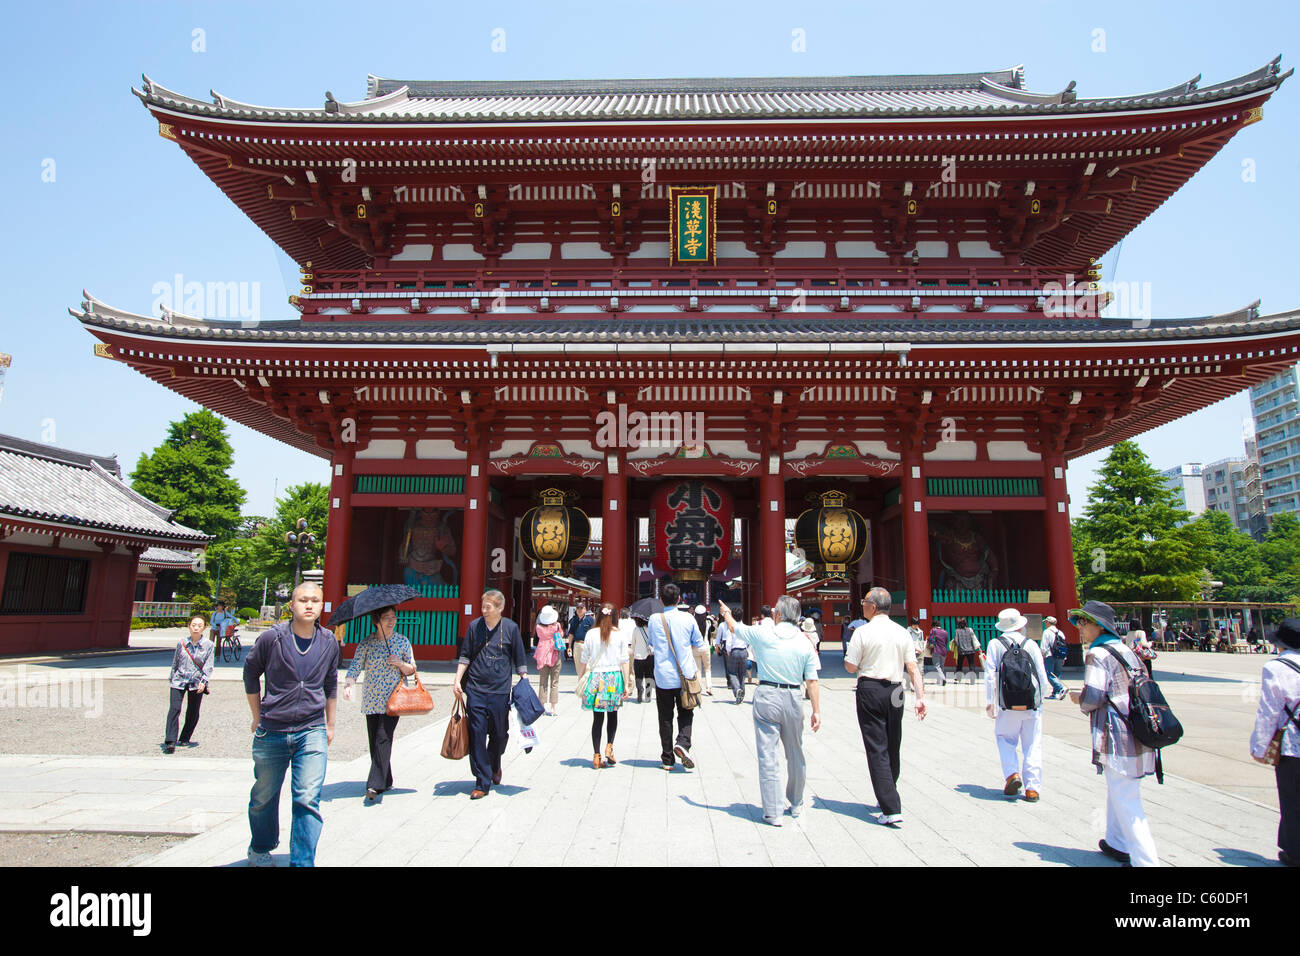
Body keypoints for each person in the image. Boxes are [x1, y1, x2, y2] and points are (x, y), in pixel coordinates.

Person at [243, 581, 339, 867]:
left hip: (311, 728)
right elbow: (250, 675)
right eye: (303, 600)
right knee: (264, 795)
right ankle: (261, 845)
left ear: (322, 605)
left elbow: (330, 683)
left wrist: (330, 724)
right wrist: (257, 716)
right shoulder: (271, 638)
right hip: (272, 728)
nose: (309, 605)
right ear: (291, 605)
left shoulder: (329, 641)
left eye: (315, 601)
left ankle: (302, 861)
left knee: (308, 798)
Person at [1069, 600, 1160, 867]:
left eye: (1083, 623)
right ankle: (1117, 842)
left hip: (1117, 733)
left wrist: (1079, 698)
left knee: (1127, 799)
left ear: (1098, 625)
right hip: (1137, 728)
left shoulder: (1098, 655)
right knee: (1119, 789)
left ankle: (1146, 861)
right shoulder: (1127, 651)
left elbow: (1094, 697)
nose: (1079, 629)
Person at [719, 596, 821, 825]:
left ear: (777, 615)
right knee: (795, 752)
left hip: (767, 695)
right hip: (794, 695)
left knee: (768, 755)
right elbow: (812, 680)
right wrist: (816, 710)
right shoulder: (805, 641)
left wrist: (725, 612)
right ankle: (796, 803)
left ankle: (773, 811)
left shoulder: (764, 634)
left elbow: (735, 627)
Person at [843, 587, 927, 826]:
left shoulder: (862, 632)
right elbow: (912, 667)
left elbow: (850, 666)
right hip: (896, 690)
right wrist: (920, 697)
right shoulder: (903, 633)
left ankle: (891, 807)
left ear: (872, 606)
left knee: (876, 746)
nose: (862, 605)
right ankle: (889, 789)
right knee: (893, 742)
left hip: (870, 688)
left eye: (864, 602)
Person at [453, 590, 528, 799]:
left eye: (489, 607)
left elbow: (520, 659)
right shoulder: (474, 627)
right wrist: (457, 679)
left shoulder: (511, 629)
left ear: (499, 608)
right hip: (476, 688)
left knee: (499, 733)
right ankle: (482, 781)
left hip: (500, 690)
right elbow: (465, 655)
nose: (484, 610)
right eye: (483, 606)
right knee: (477, 734)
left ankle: (495, 763)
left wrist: (524, 680)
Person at [342, 605, 416, 801]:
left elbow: (412, 669)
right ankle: (386, 778)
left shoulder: (402, 641)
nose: (391, 621)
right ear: (376, 621)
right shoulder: (367, 643)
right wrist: (349, 683)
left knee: (383, 737)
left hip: (394, 698)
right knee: (375, 739)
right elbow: (356, 665)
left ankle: (374, 785)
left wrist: (400, 663)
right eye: (386, 618)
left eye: (394, 617)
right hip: (371, 698)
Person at [984, 608, 1052, 802]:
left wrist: (990, 702)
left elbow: (991, 675)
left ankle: (1012, 774)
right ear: (1021, 625)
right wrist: (1041, 698)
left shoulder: (995, 644)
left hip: (1007, 703)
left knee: (1005, 738)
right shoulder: (1031, 644)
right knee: (1032, 744)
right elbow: (1040, 673)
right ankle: (1032, 788)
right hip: (1031, 703)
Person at [1250, 618, 1300, 866]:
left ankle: (1294, 851)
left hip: (1293, 744)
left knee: (1292, 799)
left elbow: (1268, 712)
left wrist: (1259, 747)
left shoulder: (1276, 668)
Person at [645, 583, 705, 770]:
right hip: (684, 675)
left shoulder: (654, 619)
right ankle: (683, 742)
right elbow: (699, 642)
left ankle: (667, 758)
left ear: (661, 599)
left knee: (665, 716)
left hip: (663, 675)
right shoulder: (688, 618)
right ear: (679, 599)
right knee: (686, 710)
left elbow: (652, 644)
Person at [576, 605, 632, 768]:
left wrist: (580, 678)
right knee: (612, 715)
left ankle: (596, 755)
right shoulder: (619, 635)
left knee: (597, 718)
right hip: (613, 677)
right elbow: (624, 661)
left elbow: (584, 659)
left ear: (598, 616)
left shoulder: (591, 634)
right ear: (615, 617)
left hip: (595, 677)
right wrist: (627, 683)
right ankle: (610, 747)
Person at [164, 614, 213, 753]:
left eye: (199, 626)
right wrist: (172, 677)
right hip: (179, 679)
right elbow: (176, 662)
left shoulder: (208, 645)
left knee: (193, 711)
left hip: (196, 681)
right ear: (189, 626)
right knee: (174, 709)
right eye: (193, 625)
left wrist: (204, 681)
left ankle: (185, 737)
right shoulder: (182, 643)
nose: (196, 628)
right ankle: (170, 741)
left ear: (204, 628)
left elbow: (208, 665)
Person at [533, 605, 564, 716]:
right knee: (554, 682)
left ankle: (542, 706)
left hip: (542, 653)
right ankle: (553, 707)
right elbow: (561, 635)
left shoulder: (538, 627)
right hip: (554, 652)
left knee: (543, 681)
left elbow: (538, 636)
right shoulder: (556, 626)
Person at [718, 607, 750, 703]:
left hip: (734, 651)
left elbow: (729, 642)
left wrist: (728, 651)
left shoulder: (731, 628)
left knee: (732, 673)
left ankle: (737, 690)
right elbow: (748, 641)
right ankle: (742, 692)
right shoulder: (745, 627)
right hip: (743, 651)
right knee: (742, 674)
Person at [1040, 615, 1067, 699]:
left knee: (1049, 674)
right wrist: (1064, 657)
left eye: (1045, 622)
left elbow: (1044, 646)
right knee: (1056, 674)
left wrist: (1042, 655)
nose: (1045, 624)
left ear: (1048, 622)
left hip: (1049, 655)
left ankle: (1060, 688)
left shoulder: (1047, 632)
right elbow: (1064, 645)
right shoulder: (1060, 632)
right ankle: (1056, 693)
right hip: (1060, 655)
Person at [631, 614, 655, 703]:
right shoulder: (652, 630)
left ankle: (639, 691)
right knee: (649, 676)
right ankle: (648, 696)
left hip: (638, 656)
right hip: (650, 656)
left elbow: (633, 643)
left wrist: (634, 651)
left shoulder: (636, 630)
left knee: (638, 676)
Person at [693, 605, 715, 695]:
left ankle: (698, 687)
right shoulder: (708, 623)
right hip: (705, 646)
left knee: (697, 669)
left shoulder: (693, 623)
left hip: (695, 648)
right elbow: (713, 628)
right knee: (707, 668)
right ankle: (709, 687)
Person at [954, 617, 981, 685]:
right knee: (971, 665)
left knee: (959, 665)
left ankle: (958, 679)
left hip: (961, 651)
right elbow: (974, 639)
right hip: (971, 650)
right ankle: (972, 680)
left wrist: (959, 646)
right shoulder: (970, 630)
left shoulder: (957, 631)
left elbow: (956, 641)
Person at [927, 621, 950, 687]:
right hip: (944, 651)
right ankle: (940, 681)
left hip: (936, 650)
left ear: (934, 626)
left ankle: (943, 678)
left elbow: (930, 639)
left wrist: (933, 644)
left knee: (937, 666)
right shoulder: (945, 632)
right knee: (942, 666)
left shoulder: (933, 630)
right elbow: (946, 641)